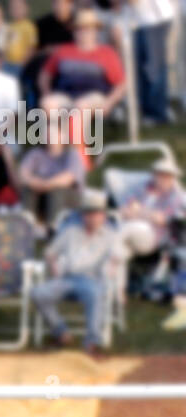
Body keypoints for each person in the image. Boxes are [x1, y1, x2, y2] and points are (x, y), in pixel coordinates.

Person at [31, 187, 123, 354]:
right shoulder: (71, 232)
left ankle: (92, 343)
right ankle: (61, 332)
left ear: (103, 216)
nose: (93, 218)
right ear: (83, 215)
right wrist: (54, 267)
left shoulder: (110, 236)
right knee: (38, 293)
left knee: (95, 294)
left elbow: (117, 257)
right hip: (68, 278)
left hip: (92, 279)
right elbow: (50, 252)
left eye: (96, 214)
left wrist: (111, 271)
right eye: (89, 213)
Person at [40, 8, 127, 117]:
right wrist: (46, 93)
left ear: (96, 31)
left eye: (88, 28)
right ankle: (58, 133)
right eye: (80, 28)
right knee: (48, 103)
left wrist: (109, 102)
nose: (84, 32)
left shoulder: (106, 53)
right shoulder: (63, 51)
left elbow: (121, 83)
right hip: (66, 96)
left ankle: (74, 133)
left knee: (81, 106)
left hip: (95, 97)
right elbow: (44, 75)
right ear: (74, 31)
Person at [117, 155, 186, 257]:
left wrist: (138, 212)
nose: (163, 178)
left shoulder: (176, 196)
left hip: (154, 236)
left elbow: (162, 219)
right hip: (130, 230)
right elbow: (125, 211)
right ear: (155, 174)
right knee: (120, 251)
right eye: (160, 174)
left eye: (167, 175)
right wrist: (147, 214)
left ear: (172, 177)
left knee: (123, 232)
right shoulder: (143, 188)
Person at [18, 129, 86, 228]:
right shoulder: (36, 154)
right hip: (42, 196)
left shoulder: (72, 154)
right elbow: (22, 174)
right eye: (47, 133)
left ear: (63, 136)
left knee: (56, 190)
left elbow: (68, 178)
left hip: (67, 198)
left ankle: (53, 226)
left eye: (54, 133)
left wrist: (44, 185)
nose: (50, 136)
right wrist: (35, 183)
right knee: (28, 189)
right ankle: (27, 223)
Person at [129, 0, 175, 124]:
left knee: (154, 69)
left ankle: (158, 113)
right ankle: (149, 111)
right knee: (142, 69)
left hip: (155, 20)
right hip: (140, 22)